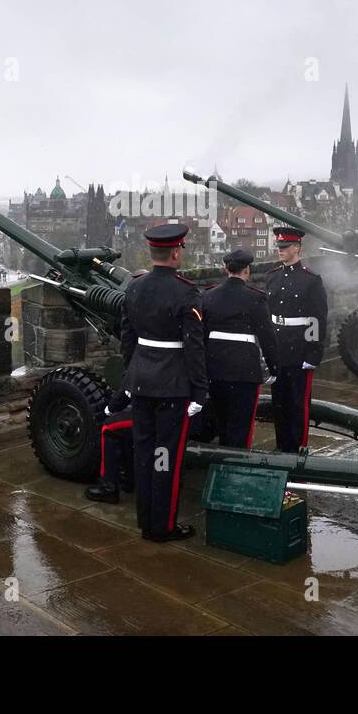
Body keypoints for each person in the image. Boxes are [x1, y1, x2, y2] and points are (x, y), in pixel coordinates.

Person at [119, 222, 208, 541]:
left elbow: (127, 339)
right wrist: (200, 390)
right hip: (173, 385)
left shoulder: (134, 287)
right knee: (166, 455)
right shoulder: (186, 292)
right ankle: (164, 526)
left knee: (144, 453)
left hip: (141, 381)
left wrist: (129, 378)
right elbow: (194, 346)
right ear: (174, 252)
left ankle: (146, 520)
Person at [199, 247, 278, 448]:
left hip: (215, 370)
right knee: (241, 426)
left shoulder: (208, 296)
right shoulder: (255, 298)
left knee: (222, 422)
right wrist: (273, 367)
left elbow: (201, 335)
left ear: (226, 269)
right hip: (245, 372)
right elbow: (267, 336)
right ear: (247, 270)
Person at [267, 225, 328, 452]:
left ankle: (298, 447)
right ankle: (282, 445)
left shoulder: (310, 280)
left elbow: (317, 318)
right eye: (279, 246)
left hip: (299, 348)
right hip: (279, 348)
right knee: (279, 402)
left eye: (284, 246)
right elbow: (269, 315)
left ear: (297, 248)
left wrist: (313, 352)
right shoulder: (272, 277)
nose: (280, 250)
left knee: (298, 404)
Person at [85, 388, 135, 504]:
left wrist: (106, 411)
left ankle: (109, 487)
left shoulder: (140, 368)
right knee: (123, 428)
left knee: (108, 428)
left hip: (152, 415)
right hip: (168, 409)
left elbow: (127, 390)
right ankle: (130, 478)